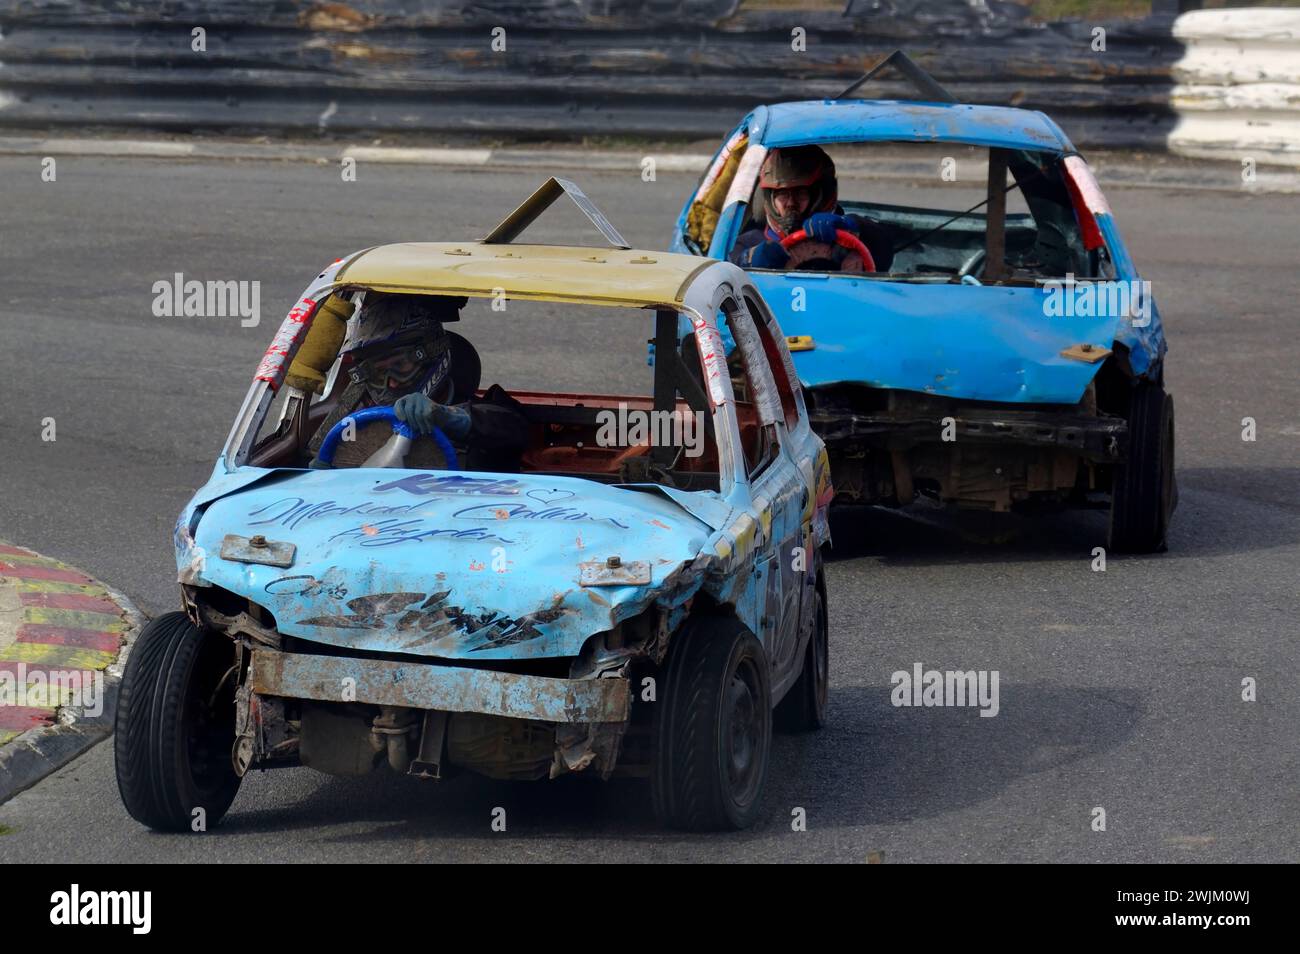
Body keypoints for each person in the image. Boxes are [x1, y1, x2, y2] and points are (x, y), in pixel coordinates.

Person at [307, 292, 528, 472]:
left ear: (435, 354)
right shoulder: (352, 422)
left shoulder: (489, 418)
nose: (390, 384)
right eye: (376, 373)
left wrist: (447, 417)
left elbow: (513, 431)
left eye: (400, 367)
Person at [730, 144, 895, 273]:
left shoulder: (849, 235)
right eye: (782, 194)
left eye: (801, 193)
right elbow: (722, 278)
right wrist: (748, 260)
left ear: (820, 196)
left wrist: (851, 226)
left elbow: (885, 244)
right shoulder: (749, 241)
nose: (790, 203)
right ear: (769, 199)